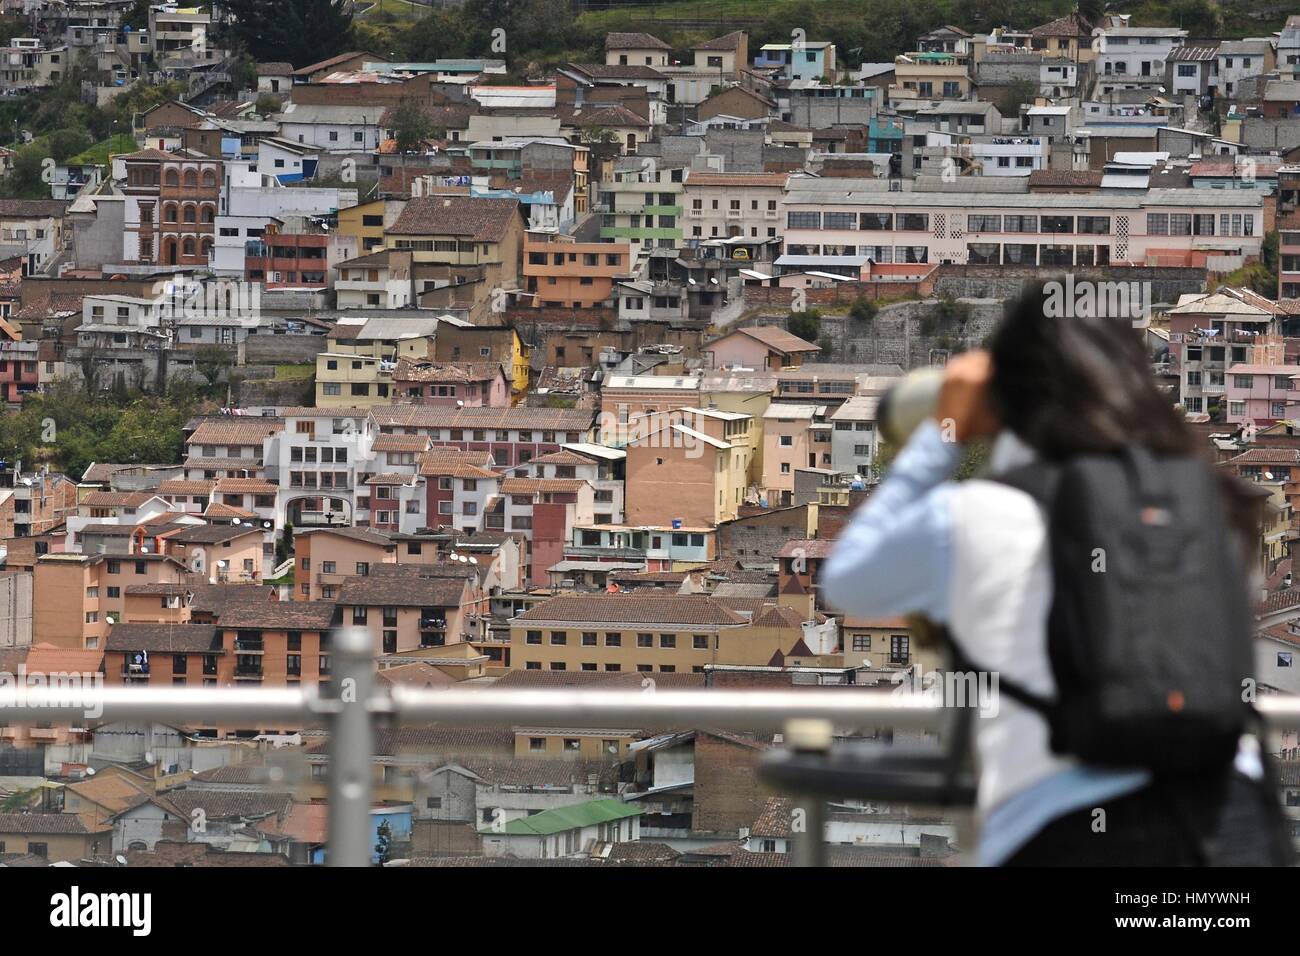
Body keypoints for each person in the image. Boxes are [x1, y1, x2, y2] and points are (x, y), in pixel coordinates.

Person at [821, 285, 1293, 866]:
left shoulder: (977, 516)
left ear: (1007, 395)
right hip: (1234, 823)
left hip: (1069, 833)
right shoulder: (1215, 504)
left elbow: (847, 580)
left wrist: (943, 433)